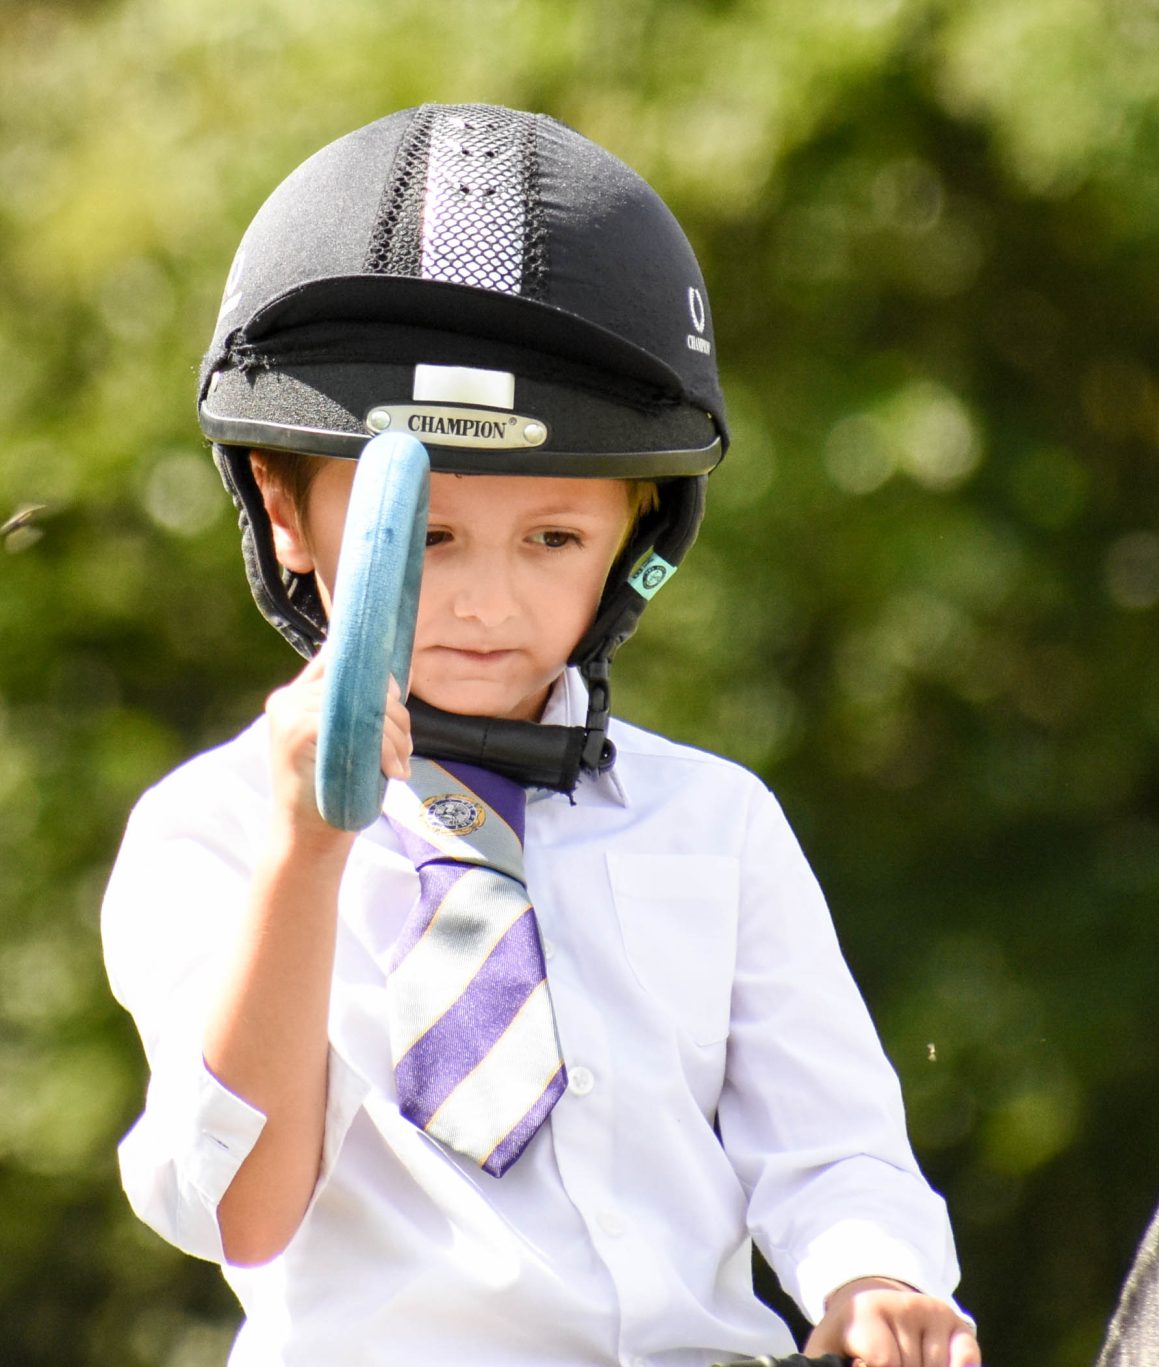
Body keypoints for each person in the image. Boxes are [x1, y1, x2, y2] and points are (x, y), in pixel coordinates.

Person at [102, 103, 980, 1367]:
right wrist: (308, 851)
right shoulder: (213, 831)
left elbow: (831, 1137)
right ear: (287, 514)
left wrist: (871, 1273)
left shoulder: (714, 823)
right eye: (428, 536)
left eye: (553, 538)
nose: (486, 601)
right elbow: (240, 1205)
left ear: (634, 538)